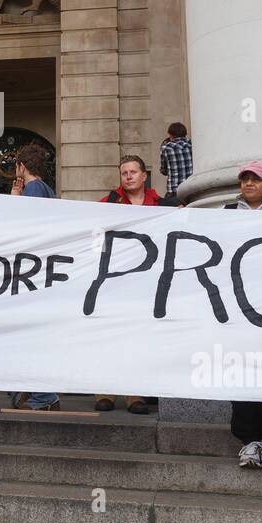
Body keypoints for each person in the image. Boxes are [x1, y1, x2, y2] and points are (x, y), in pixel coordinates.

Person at [223, 161, 262, 469]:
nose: (248, 184)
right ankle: (248, 438)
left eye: (256, 180)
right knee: (242, 369)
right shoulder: (222, 215)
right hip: (237, 306)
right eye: (245, 179)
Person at [94, 154, 164, 415]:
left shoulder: (161, 204)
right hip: (115, 281)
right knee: (111, 335)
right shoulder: (109, 202)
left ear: (144, 175)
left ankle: (134, 394)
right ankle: (105, 392)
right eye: (124, 172)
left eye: (133, 172)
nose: (129, 176)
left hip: (147, 282)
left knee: (138, 337)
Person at [7, 142, 62, 412]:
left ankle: (41, 396)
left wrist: (16, 200)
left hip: (32, 273)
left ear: (22, 166)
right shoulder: (45, 190)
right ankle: (33, 393)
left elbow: (27, 228)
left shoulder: (35, 190)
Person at [159, 122, 193, 202]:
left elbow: (164, 170)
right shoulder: (192, 144)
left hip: (174, 191)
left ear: (170, 134)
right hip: (191, 189)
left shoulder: (166, 147)